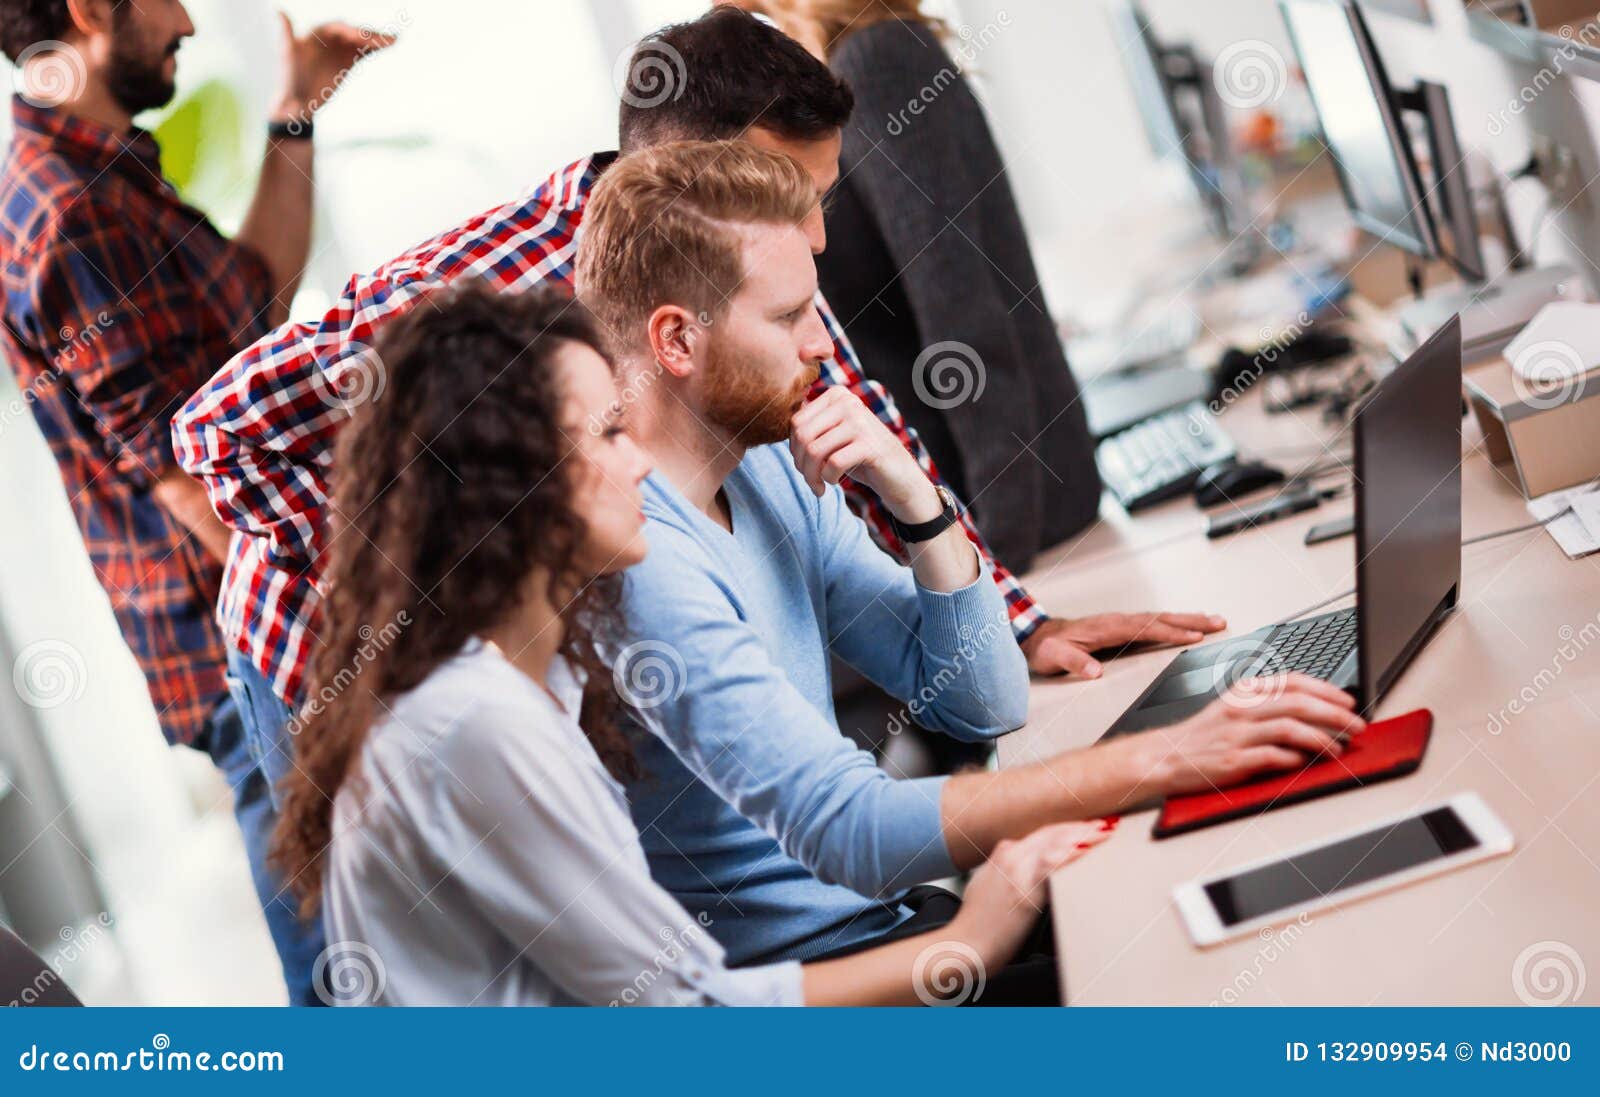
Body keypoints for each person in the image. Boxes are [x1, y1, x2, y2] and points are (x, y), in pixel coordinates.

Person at [172, 8, 1228, 820]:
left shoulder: (749, 264)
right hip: (318, 650)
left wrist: (1021, 620)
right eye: (790, 187)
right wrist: (401, 580)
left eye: (820, 191)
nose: (817, 223)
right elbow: (217, 429)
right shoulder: (488, 281)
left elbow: (858, 413)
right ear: (689, 175)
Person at [574, 139, 1366, 979]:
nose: (820, 343)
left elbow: (984, 699)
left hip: (893, 919)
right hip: (828, 978)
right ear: (677, 341)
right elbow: (852, 834)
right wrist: (1169, 754)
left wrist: (917, 501)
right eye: (785, 317)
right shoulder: (640, 557)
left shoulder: (765, 461)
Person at [269, 281, 1112, 1006]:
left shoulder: (541, 685)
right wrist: (973, 939)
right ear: (511, 482)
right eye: (604, 435)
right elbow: (689, 1013)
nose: (637, 464)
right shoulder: (479, 722)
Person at [0, 0, 391, 1005]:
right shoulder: (68, 211)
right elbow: (188, 484)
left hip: (251, 637)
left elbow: (252, 300)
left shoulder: (98, 172)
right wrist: (345, 633)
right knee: (346, 976)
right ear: (91, 14)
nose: (183, 20)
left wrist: (296, 107)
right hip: (249, 646)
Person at [734, 0, 1101, 571]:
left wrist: (990, 560)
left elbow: (959, 306)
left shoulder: (877, 59)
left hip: (1002, 516)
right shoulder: (848, 61)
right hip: (975, 511)